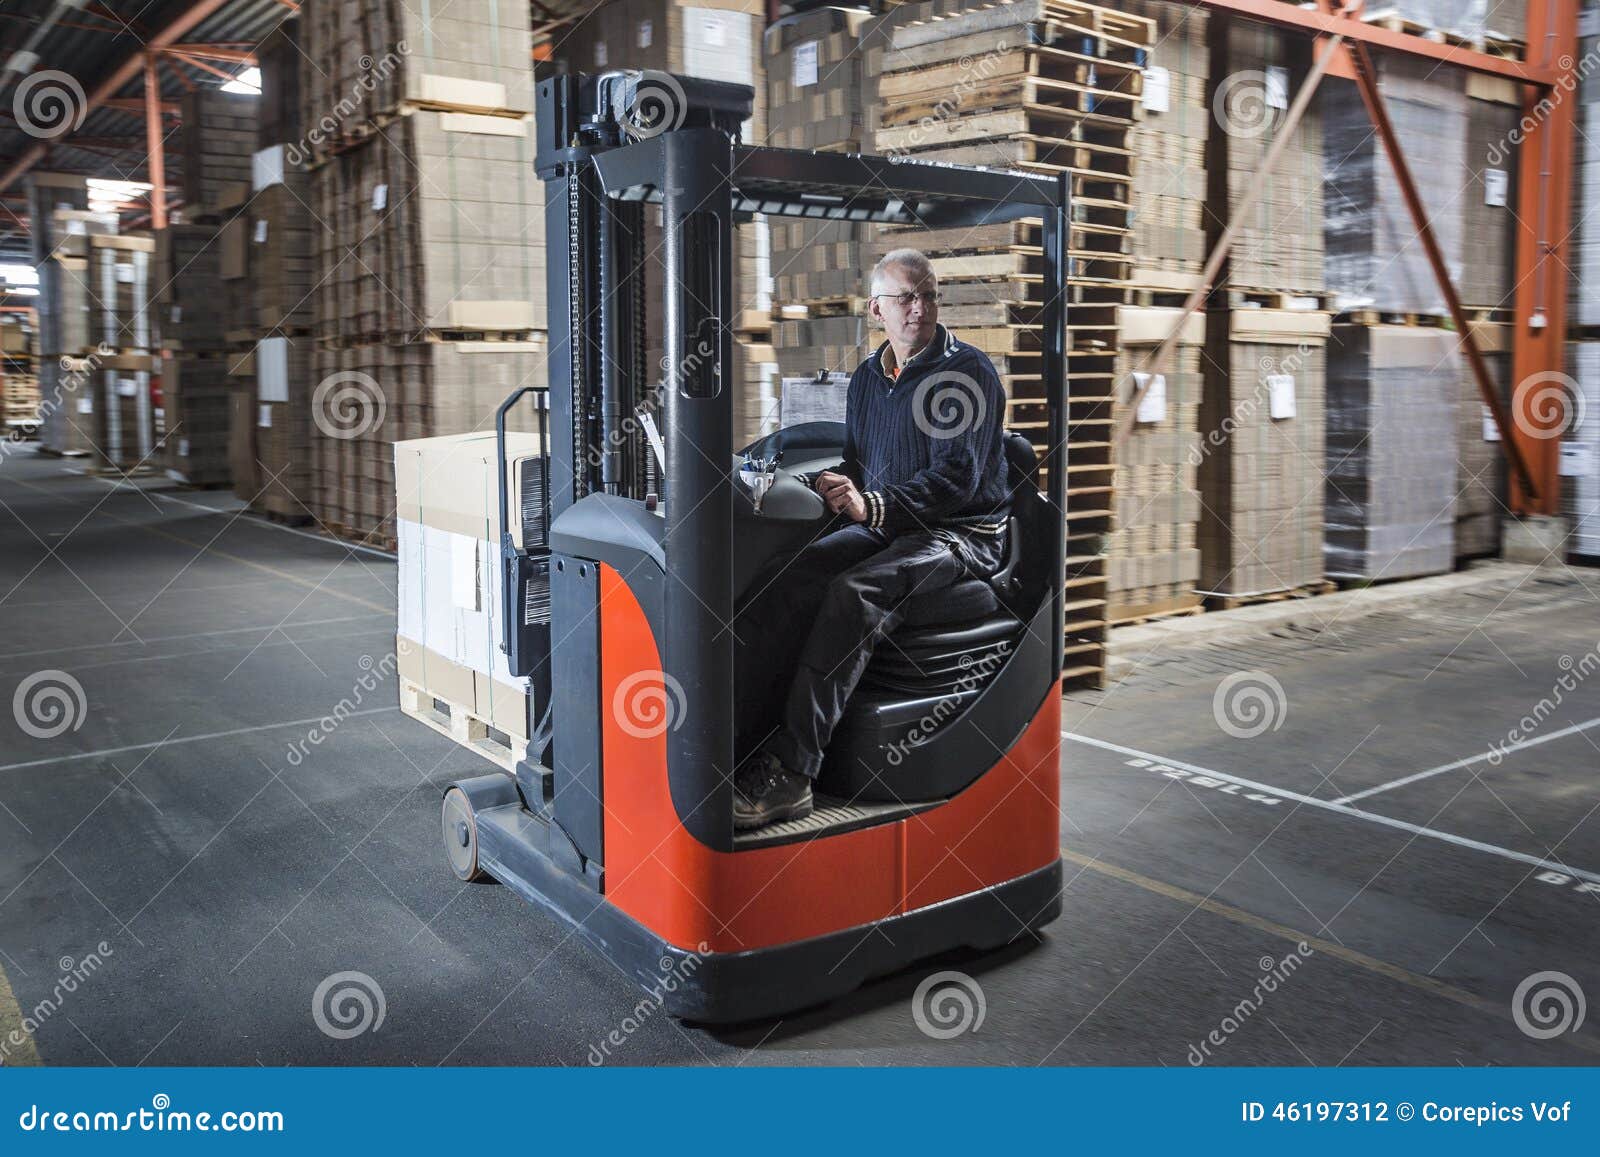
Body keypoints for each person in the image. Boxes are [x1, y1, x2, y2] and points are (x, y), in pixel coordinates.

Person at [731, 248, 1011, 829]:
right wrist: (840, 485)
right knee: (790, 577)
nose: (920, 309)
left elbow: (956, 482)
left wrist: (873, 504)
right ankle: (736, 738)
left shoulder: (967, 374)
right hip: (898, 527)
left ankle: (792, 775)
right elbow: (863, 463)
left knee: (854, 592)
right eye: (906, 298)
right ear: (875, 310)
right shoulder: (865, 379)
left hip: (960, 537)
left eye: (929, 294)